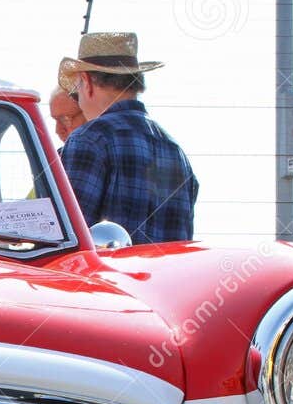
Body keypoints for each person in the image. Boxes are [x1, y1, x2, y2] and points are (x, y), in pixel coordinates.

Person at [57, 31, 198, 244]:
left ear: (87, 82)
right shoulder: (175, 151)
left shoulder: (89, 139)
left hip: (108, 277)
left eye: (76, 90)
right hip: (168, 277)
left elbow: (67, 237)